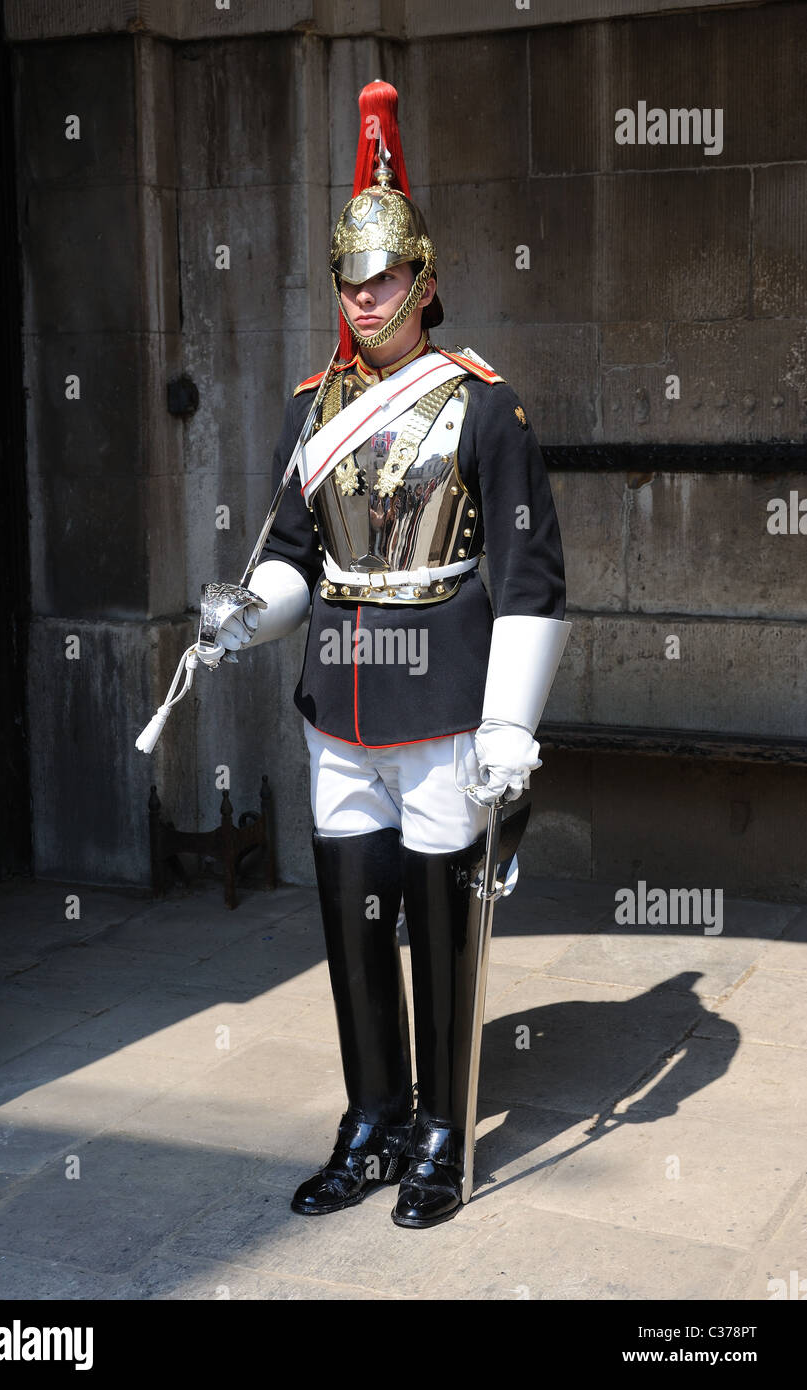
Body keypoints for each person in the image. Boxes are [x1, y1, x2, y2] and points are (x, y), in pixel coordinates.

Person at [215, 81, 570, 1228]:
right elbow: (290, 556)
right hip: (340, 707)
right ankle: (369, 1120)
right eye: (348, 281)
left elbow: (529, 578)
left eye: (383, 279)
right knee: (350, 925)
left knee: (436, 926)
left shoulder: (485, 407)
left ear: (422, 280)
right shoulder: (312, 408)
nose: (364, 299)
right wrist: (243, 615)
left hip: (444, 704)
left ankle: (438, 1134)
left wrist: (510, 723)